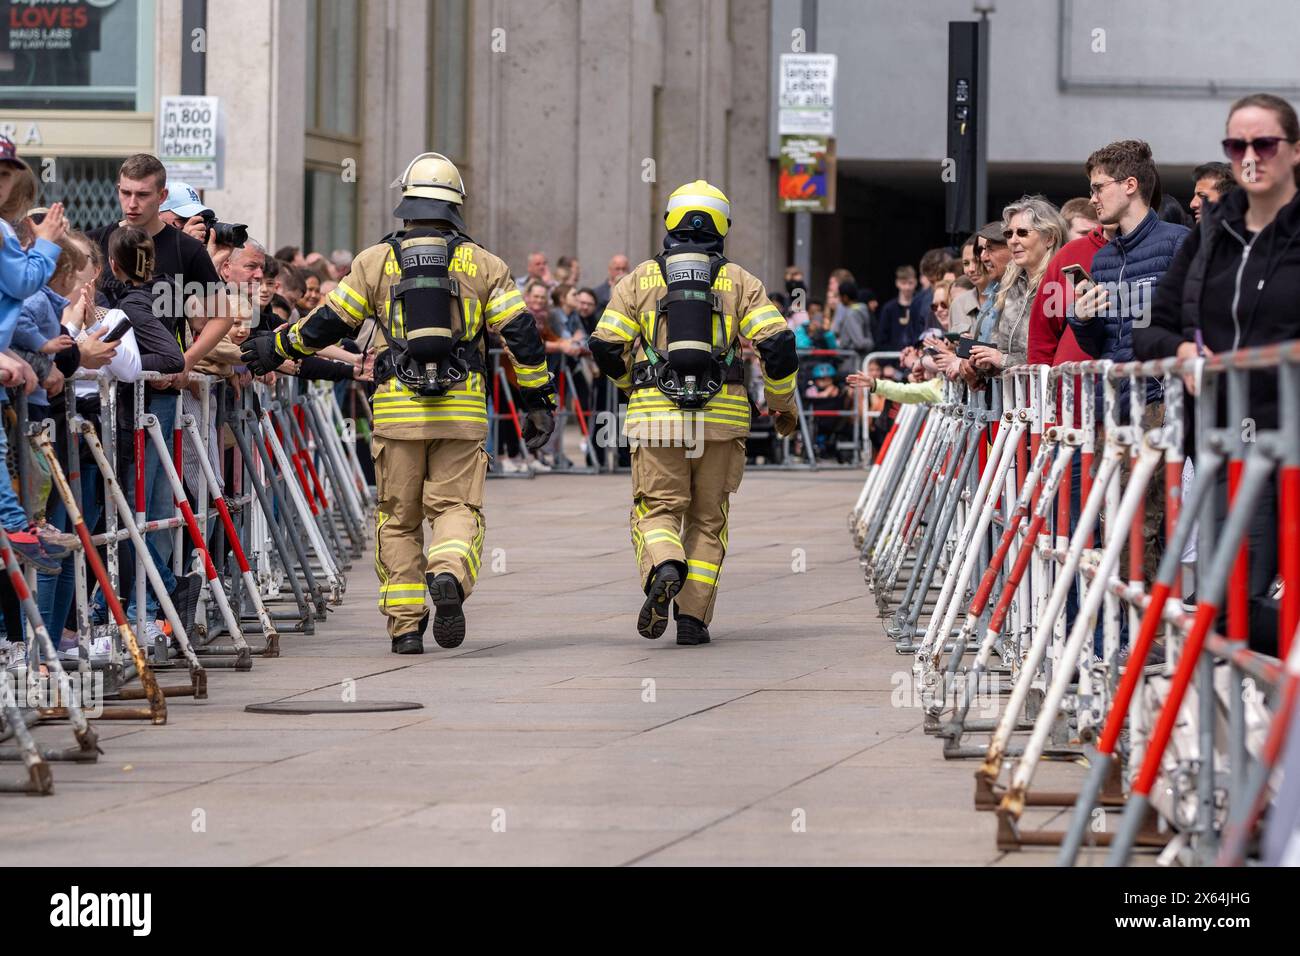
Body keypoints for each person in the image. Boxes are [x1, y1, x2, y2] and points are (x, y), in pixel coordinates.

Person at [243, 151, 556, 654]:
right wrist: (538, 400)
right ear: (456, 204)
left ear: (406, 203)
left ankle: (406, 628)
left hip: (396, 411)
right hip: (461, 412)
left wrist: (273, 347)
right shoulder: (485, 264)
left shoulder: (375, 261)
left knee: (397, 517)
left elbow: (329, 325)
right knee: (457, 507)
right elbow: (522, 335)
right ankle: (448, 571)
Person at [589, 180, 799, 646]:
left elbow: (603, 346)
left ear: (670, 222)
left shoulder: (640, 279)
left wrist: (631, 384)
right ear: (722, 225)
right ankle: (691, 620)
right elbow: (779, 345)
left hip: (656, 418)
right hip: (721, 421)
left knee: (657, 509)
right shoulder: (739, 281)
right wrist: (781, 404)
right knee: (708, 519)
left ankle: (665, 564)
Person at [1137, 92, 1300, 655]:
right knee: (1232, 603)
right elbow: (1150, 328)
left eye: (1265, 144)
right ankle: (1266, 726)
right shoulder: (1210, 236)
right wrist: (1182, 350)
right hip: (1235, 442)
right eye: (1237, 145)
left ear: (1294, 151)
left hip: (1295, 437)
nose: (1250, 156)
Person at [970, 196, 1068, 373]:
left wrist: (1004, 360)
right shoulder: (1010, 285)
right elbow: (1001, 351)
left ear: (1050, 239)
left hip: (1048, 395)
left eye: (1022, 232)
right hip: (1013, 396)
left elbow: (1057, 356)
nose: (1013, 241)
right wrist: (985, 362)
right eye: (1009, 234)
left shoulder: (1061, 284)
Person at [831, 279, 873, 360]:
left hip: (851, 361)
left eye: (840, 296)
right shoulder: (862, 309)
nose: (839, 299)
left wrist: (843, 347)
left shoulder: (852, 314)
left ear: (845, 297)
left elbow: (859, 343)